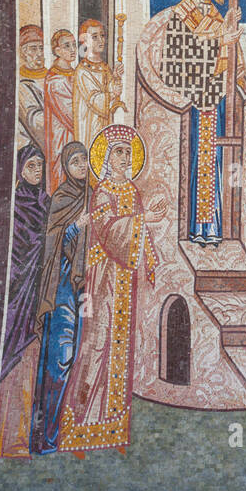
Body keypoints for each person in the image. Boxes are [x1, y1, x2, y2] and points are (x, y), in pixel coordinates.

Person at [59, 125, 162, 454]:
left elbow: (138, 227)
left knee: (122, 348)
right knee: (97, 341)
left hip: (125, 279)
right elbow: (106, 230)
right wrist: (143, 223)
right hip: (103, 277)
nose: (124, 157)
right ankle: (82, 425)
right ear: (106, 156)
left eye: (128, 153)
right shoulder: (102, 191)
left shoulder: (133, 191)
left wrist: (149, 255)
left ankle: (113, 427)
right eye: (118, 152)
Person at [161, 0, 244, 244]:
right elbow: (179, 54)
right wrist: (222, 39)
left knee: (217, 161)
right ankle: (199, 227)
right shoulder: (182, 12)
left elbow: (223, 44)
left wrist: (228, 28)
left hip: (216, 96)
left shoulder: (214, 13)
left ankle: (215, 227)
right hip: (195, 99)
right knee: (200, 159)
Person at [29, 142, 90, 454]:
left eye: (84, 160)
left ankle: (63, 433)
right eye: (75, 161)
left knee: (80, 360)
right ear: (66, 166)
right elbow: (51, 242)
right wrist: (74, 228)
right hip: (62, 288)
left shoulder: (93, 196)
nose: (81, 166)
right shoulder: (62, 198)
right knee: (59, 361)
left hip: (85, 291)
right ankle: (44, 437)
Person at [0, 144, 49, 458]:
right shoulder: (13, 206)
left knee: (31, 366)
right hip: (17, 297)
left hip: (39, 296)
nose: (37, 171)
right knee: (12, 361)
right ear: (19, 170)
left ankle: (20, 439)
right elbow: (10, 254)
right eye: (30, 166)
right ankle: (2, 440)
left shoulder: (48, 203)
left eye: (40, 166)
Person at [73, 18, 123, 152]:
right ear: (84, 41)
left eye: (102, 35)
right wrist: (112, 93)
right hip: (89, 124)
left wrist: (116, 77)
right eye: (95, 37)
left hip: (104, 123)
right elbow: (94, 99)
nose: (101, 40)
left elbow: (111, 90)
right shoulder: (82, 71)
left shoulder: (105, 67)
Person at [43, 29, 76, 194]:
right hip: (63, 138)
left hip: (74, 136)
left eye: (74, 45)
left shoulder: (74, 73)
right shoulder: (55, 81)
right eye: (67, 46)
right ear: (57, 51)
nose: (72, 49)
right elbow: (70, 114)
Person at [17, 25, 46, 151]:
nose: (39, 54)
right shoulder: (20, 83)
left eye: (41, 48)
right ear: (23, 52)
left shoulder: (52, 76)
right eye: (33, 49)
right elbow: (35, 122)